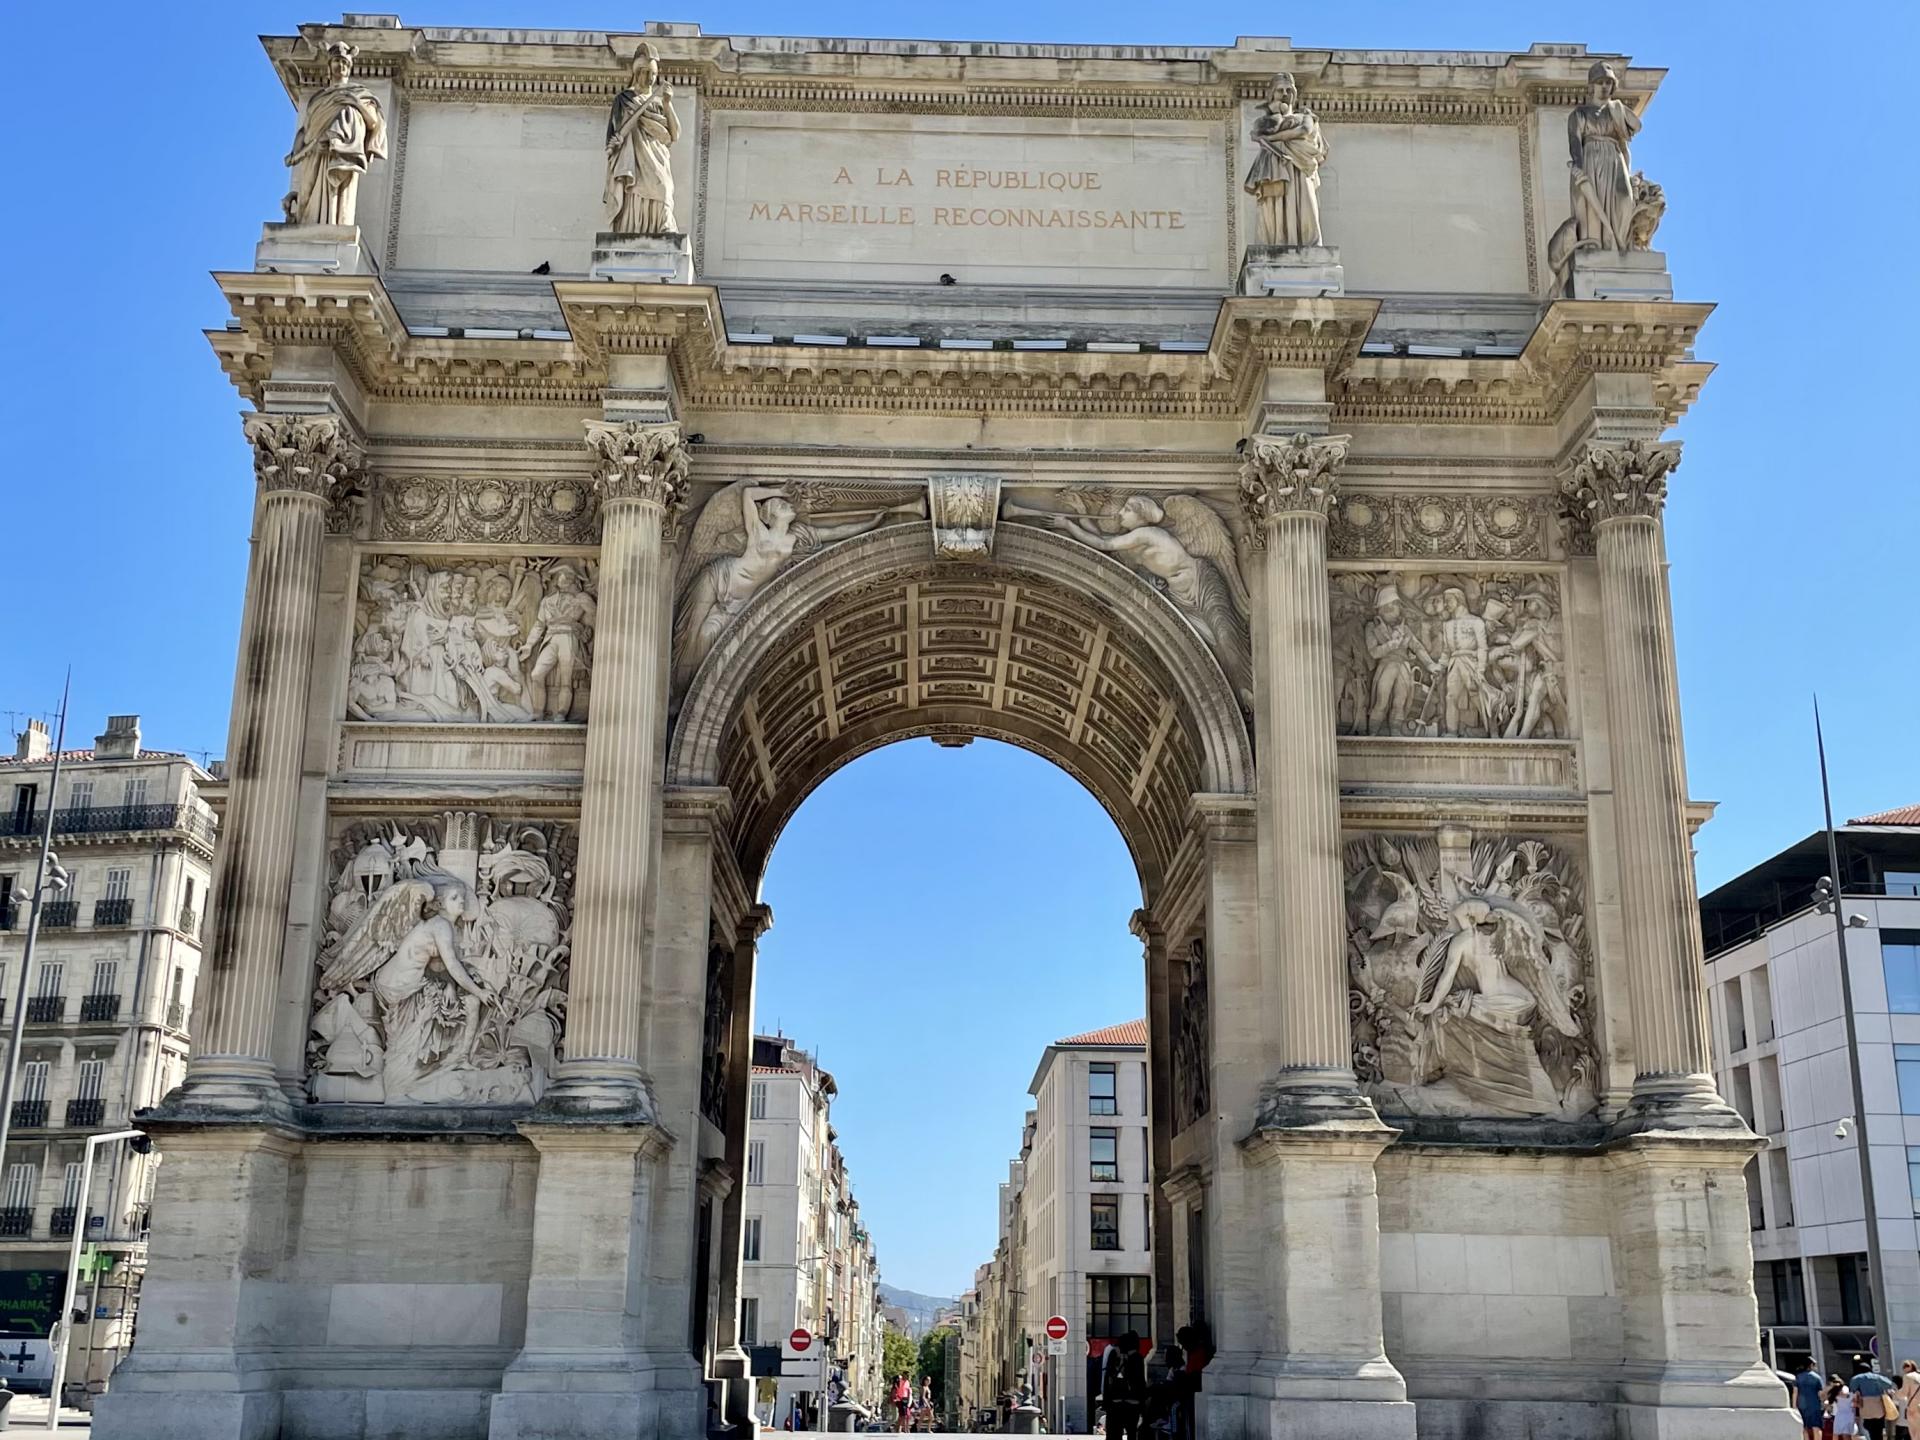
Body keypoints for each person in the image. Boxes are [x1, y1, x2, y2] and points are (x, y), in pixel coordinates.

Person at [1102, 1331, 1146, 1440]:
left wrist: (1106, 1401)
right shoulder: (1137, 1358)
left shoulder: (1114, 1354)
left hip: (1115, 1403)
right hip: (1133, 1403)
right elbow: (1140, 1381)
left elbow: (1107, 1379)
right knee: (1132, 1433)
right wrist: (1142, 1403)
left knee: (1113, 1435)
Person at [1854, 1360, 1897, 1440]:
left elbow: (1853, 1389)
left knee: (1870, 1428)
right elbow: (1889, 1384)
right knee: (1879, 1429)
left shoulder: (1856, 1378)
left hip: (1866, 1406)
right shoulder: (1878, 1377)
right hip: (1878, 1406)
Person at [1797, 1362, 1833, 1440]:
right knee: (1816, 1427)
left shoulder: (1798, 1377)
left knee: (1804, 1427)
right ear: (1811, 1365)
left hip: (1802, 1405)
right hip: (1815, 1406)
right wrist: (1825, 1402)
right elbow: (1821, 1393)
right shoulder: (1816, 1377)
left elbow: (1795, 1392)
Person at [1897, 1360, 1920, 1438]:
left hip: (1914, 1408)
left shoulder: (1908, 1376)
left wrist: (1896, 1393)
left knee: (1915, 1433)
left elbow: (1903, 1394)